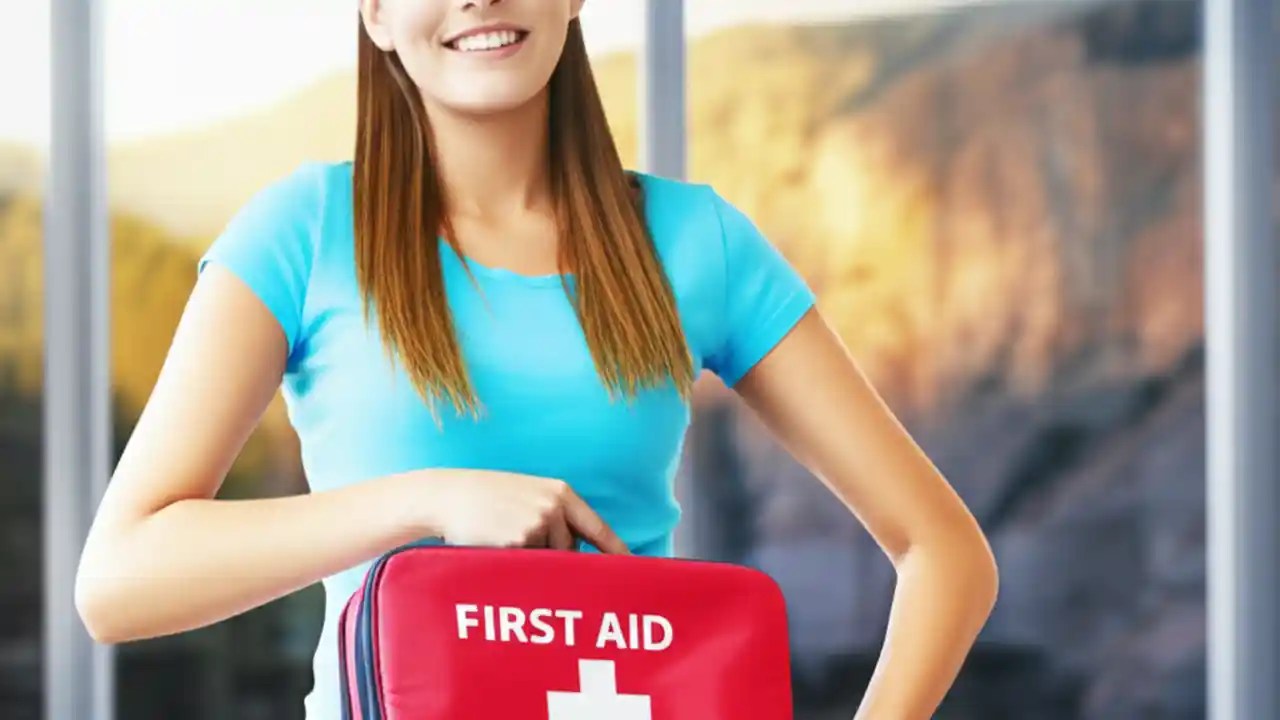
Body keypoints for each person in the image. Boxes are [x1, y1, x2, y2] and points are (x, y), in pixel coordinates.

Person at [74, 1, 999, 718]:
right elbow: (119, 582)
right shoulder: (304, 233)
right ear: (376, 13)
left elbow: (946, 551)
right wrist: (428, 499)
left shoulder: (695, 242)